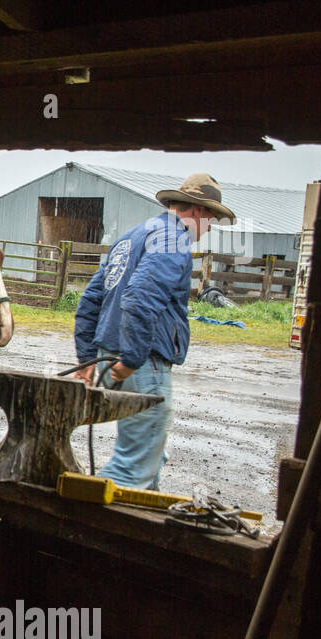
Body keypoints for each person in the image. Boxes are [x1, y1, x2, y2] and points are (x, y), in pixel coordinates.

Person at [71, 173, 236, 491]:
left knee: (149, 453)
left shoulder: (132, 237)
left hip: (110, 357)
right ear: (198, 211)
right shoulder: (172, 239)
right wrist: (131, 358)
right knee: (132, 466)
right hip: (142, 362)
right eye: (211, 219)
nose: (210, 227)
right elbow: (141, 296)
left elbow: (91, 299)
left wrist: (89, 359)